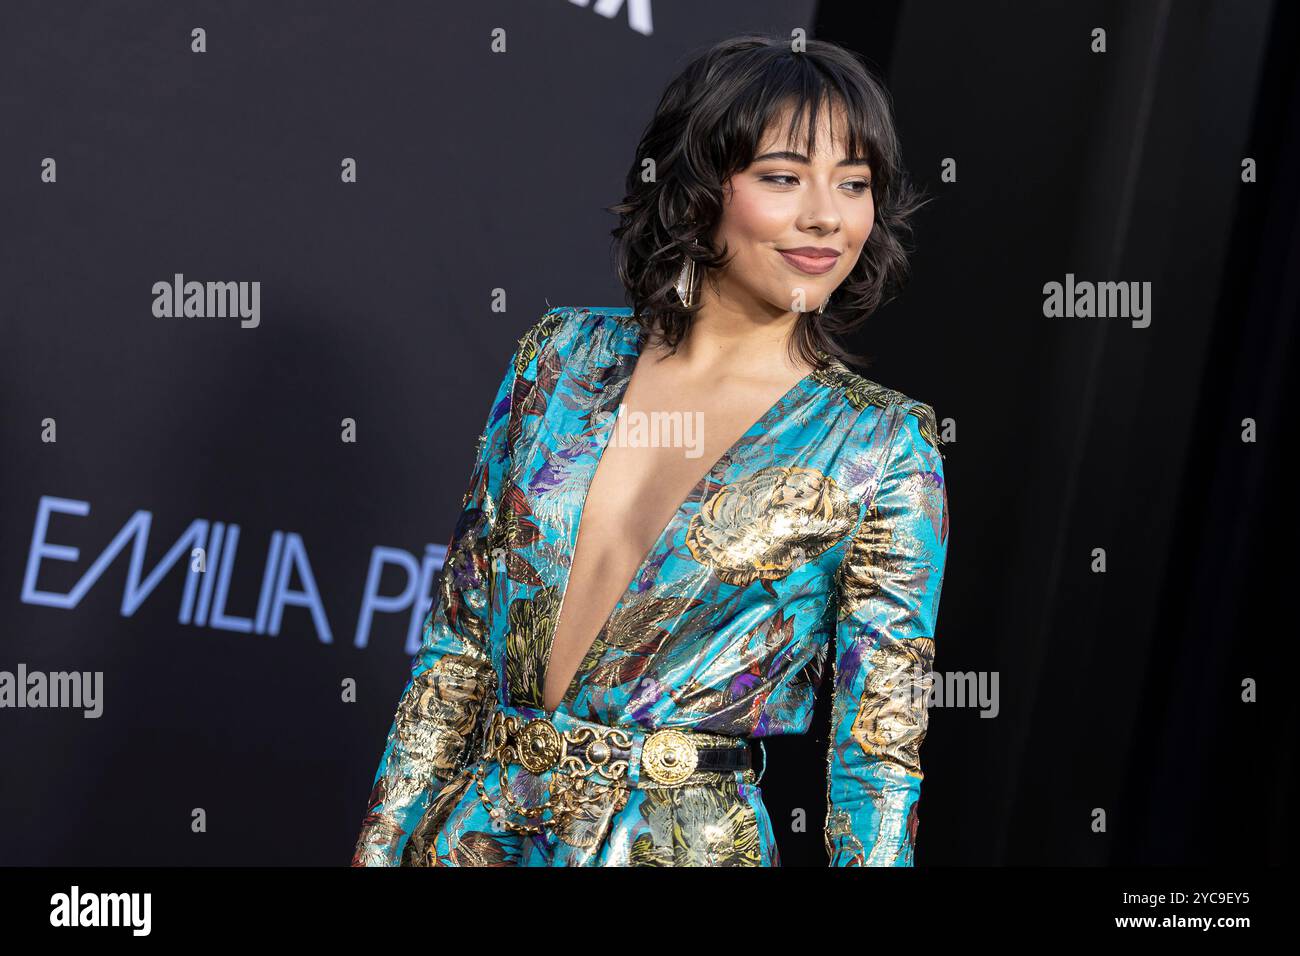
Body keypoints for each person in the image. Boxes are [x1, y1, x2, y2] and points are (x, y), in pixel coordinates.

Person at [352, 33, 948, 867]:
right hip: (473, 836)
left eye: (854, 185)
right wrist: (382, 846)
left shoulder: (882, 444)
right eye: (784, 177)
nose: (827, 216)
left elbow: (878, 749)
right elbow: (458, 645)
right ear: (699, 187)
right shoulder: (558, 359)